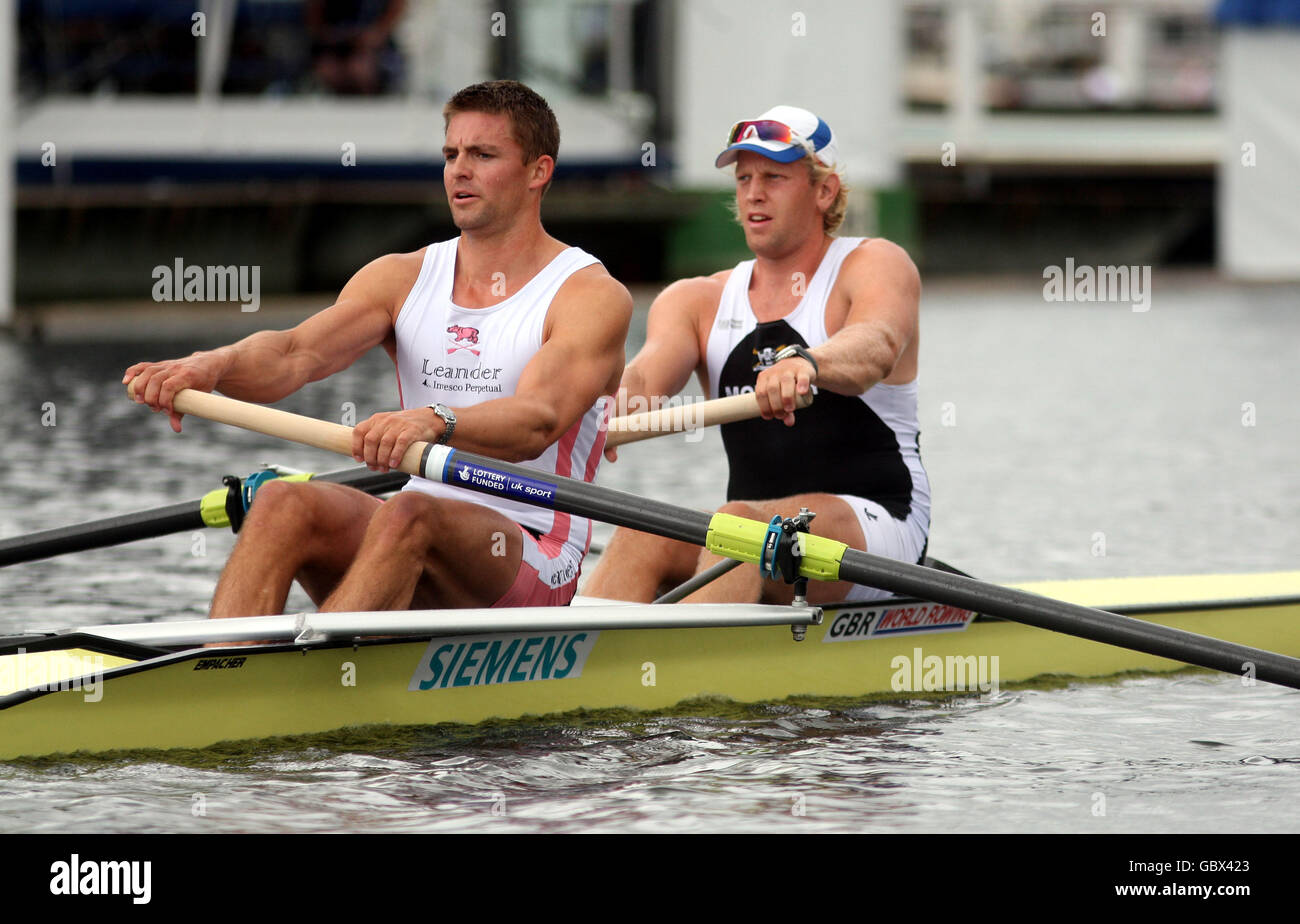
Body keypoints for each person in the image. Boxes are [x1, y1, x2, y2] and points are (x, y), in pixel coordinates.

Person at [125, 80, 632, 619]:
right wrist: (211, 365)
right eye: (451, 154)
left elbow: (538, 420)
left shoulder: (589, 295)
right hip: (413, 527)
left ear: (539, 171)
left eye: (483, 155)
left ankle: (322, 675)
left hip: (532, 550)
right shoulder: (400, 277)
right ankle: (224, 665)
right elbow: (293, 354)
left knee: (411, 511)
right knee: (281, 500)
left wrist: (434, 420)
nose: (460, 170)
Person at [584, 105, 928, 605]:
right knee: (643, 531)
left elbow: (875, 346)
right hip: (752, 539)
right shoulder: (695, 300)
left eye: (773, 176)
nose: (753, 193)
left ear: (824, 190)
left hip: (881, 529)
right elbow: (641, 382)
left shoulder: (874, 264)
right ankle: (590, 669)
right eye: (743, 178)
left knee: (739, 524)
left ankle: (683, 673)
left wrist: (807, 363)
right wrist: (596, 412)